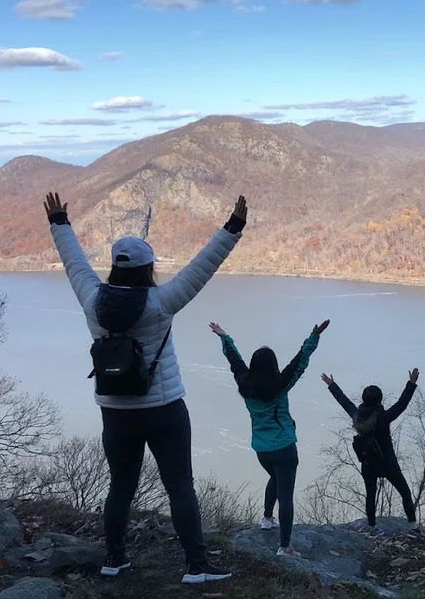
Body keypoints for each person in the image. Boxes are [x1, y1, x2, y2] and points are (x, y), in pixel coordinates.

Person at [44, 191, 247, 584]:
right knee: (179, 485)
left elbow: (74, 263)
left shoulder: (92, 300)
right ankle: (196, 565)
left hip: (115, 412)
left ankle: (115, 558)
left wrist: (59, 222)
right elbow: (201, 268)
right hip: (164, 409)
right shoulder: (161, 301)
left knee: (120, 486)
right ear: (148, 268)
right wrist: (233, 227)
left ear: (115, 269)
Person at [208, 319, 330, 557]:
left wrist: (225, 337)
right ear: (274, 365)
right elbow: (299, 362)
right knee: (286, 496)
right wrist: (314, 336)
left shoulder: (245, 384)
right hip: (284, 447)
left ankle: (266, 518)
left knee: (274, 478)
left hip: (261, 450)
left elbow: (235, 362)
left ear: (254, 366)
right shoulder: (280, 385)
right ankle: (285, 547)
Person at [320, 368, 422, 537]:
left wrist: (332, 385)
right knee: (404, 492)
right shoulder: (383, 417)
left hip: (368, 462)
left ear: (364, 400)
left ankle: (372, 528)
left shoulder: (357, 416)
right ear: (379, 400)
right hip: (388, 463)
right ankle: (412, 527)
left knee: (370, 494)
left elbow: (344, 402)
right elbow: (401, 404)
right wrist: (411, 383)